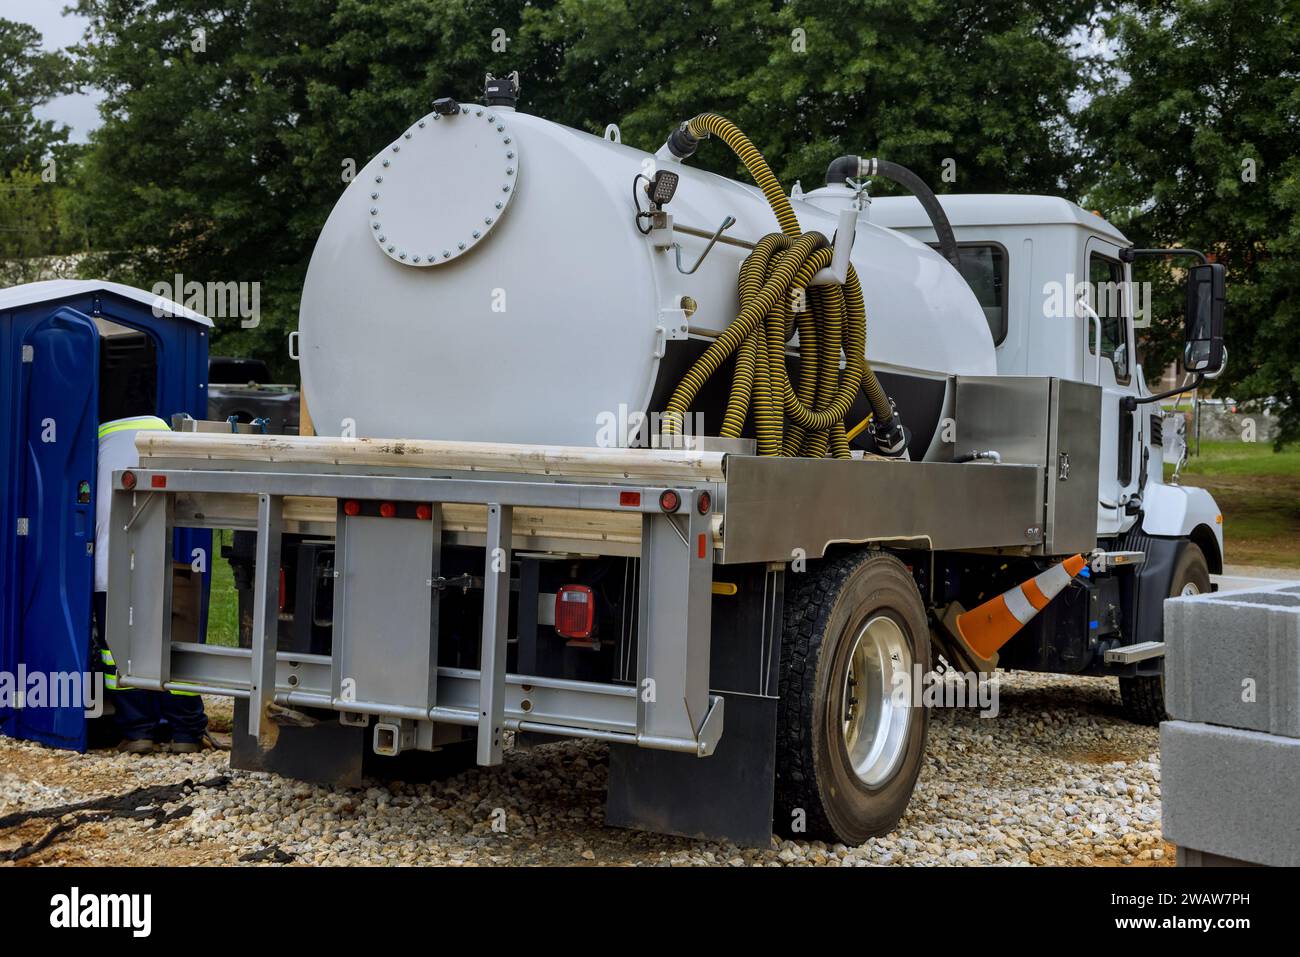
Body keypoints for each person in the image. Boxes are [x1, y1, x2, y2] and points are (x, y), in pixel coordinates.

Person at [93, 414, 209, 754]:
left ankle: (138, 732)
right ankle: (186, 733)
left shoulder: (97, 446)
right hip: (166, 566)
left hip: (108, 568)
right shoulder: (169, 440)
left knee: (116, 651)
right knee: (174, 646)